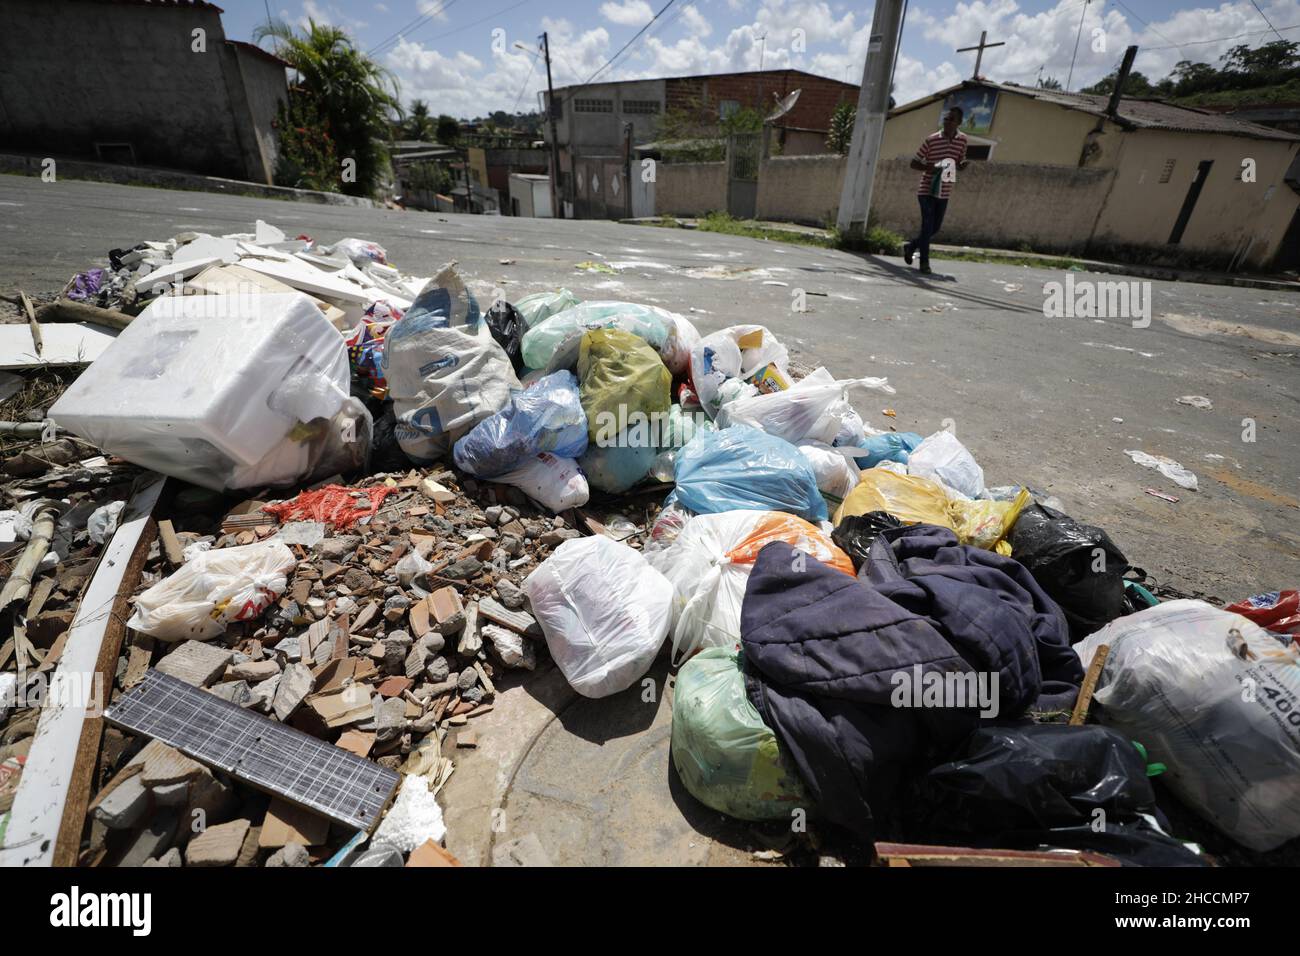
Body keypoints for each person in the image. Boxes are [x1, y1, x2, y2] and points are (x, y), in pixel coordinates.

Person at [903, 106, 969, 275]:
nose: (947, 122)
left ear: (959, 123)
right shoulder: (932, 140)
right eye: (945, 118)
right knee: (927, 225)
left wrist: (962, 166)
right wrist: (927, 167)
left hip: (945, 190)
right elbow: (914, 162)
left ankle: (910, 246)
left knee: (935, 228)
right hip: (926, 190)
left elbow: (959, 162)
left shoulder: (962, 140)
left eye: (951, 119)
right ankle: (924, 262)